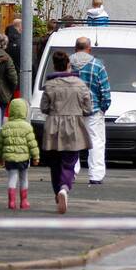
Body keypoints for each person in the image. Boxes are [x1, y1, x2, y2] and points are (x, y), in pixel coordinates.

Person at [41, 50, 93, 213]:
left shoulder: (50, 85)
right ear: (68, 66)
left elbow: (44, 107)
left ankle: (57, 191)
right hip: (73, 126)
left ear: (55, 66)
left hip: (53, 127)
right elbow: (88, 108)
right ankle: (65, 187)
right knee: (69, 162)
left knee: (54, 163)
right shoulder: (80, 84)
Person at [70, 36, 111, 186]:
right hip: (93, 110)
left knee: (72, 142)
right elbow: (104, 89)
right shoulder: (97, 65)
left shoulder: (68, 64)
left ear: (75, 48)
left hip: (72, 110)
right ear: (89, 48)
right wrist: (104, 107)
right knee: (96, 142)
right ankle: (96, 175)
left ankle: (71, 172)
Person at [0, 97, 40, 210]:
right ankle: (24, 201)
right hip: (23, 158)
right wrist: (36, 156)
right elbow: (32, 144)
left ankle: (11, 201)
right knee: (24, 178)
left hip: (10, 159)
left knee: (12, 178)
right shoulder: (27, 127)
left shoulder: (5, 127)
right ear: (24, 111)